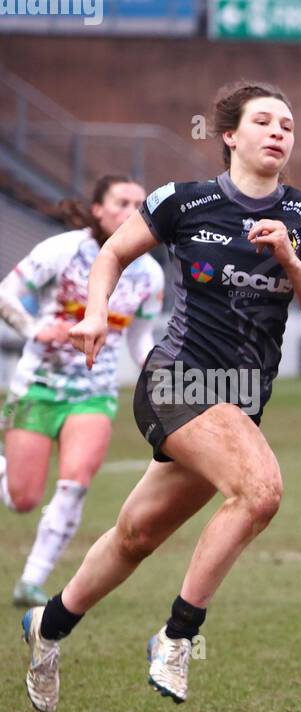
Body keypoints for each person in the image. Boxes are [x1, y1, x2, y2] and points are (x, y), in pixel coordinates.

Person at [20, 80, 301, 712]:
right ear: (229, 136)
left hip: (238, 404)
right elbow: (112, 251)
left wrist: (291, 259)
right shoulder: (183, 201)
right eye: (265, 122)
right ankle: (177, 636)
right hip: (176, 380)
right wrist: (92, 313)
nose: (280, 132)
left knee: (136, 536)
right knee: (260, 490)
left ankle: (47, 625)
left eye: (289, 125)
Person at [0, 175, 163, 608]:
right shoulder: (64, 250)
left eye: (140, 203)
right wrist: (35, 329)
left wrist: (160, 368)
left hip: (94, 391)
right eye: (122, 201)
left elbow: (138, 341)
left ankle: (32, 582)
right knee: (23, 498)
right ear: (97, 209)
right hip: (38, 386)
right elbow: (6, 294)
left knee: (74, 484)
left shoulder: (149, 273)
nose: (132, 210)